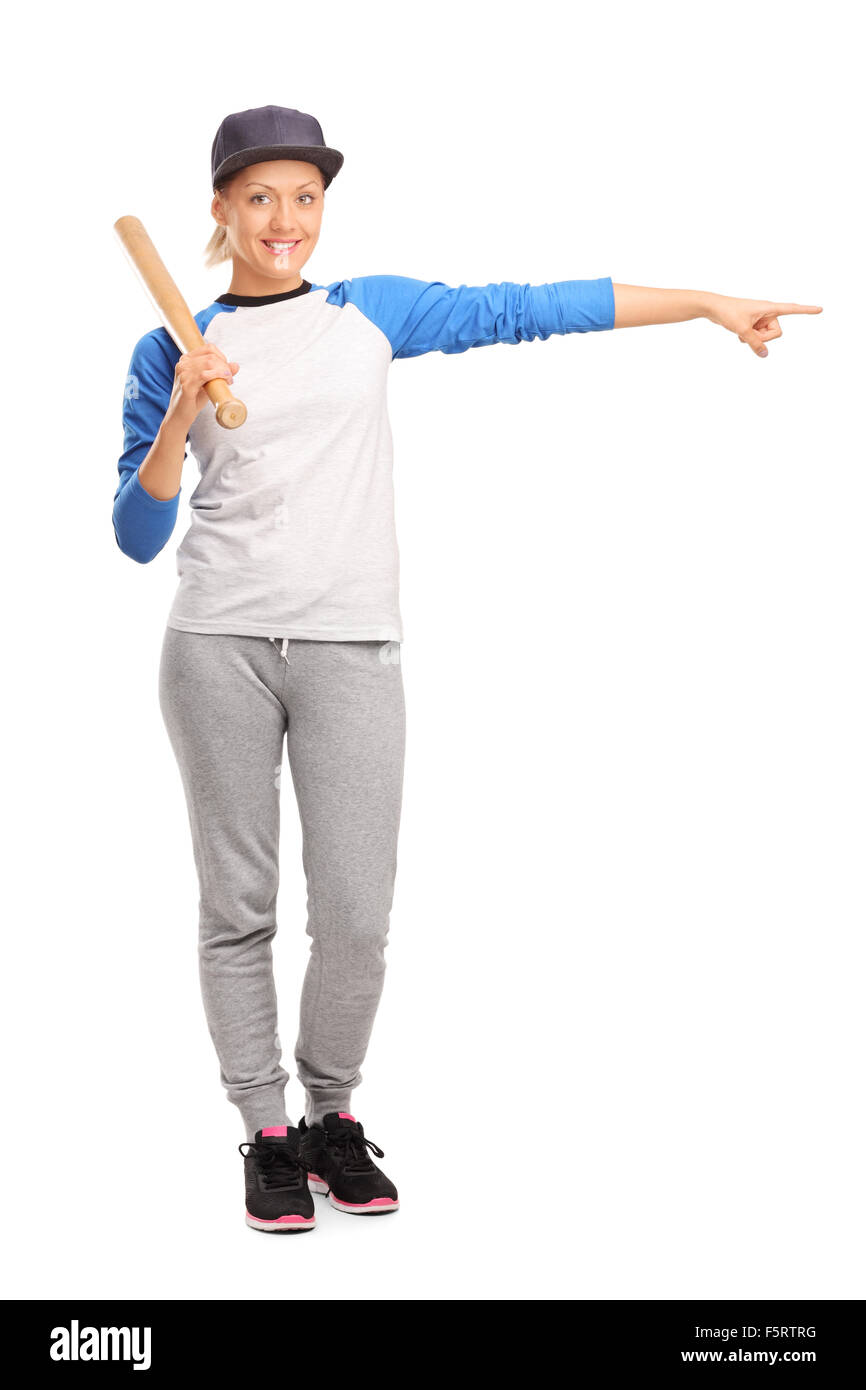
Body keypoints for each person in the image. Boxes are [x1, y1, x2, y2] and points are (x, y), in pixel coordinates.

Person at [113, 105, 822, 1234]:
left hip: (351, 644)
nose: (284, 219)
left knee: (354, 910)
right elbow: (137, 537)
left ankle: (332, 1113)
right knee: (236, 906)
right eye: (259, 197)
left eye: (304, 196)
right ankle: (265, 1132)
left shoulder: (366, 313)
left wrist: (698, 302)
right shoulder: (169, 344)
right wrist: (182, 412)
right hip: (216, 648)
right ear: (221, 209)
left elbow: (523, 309)